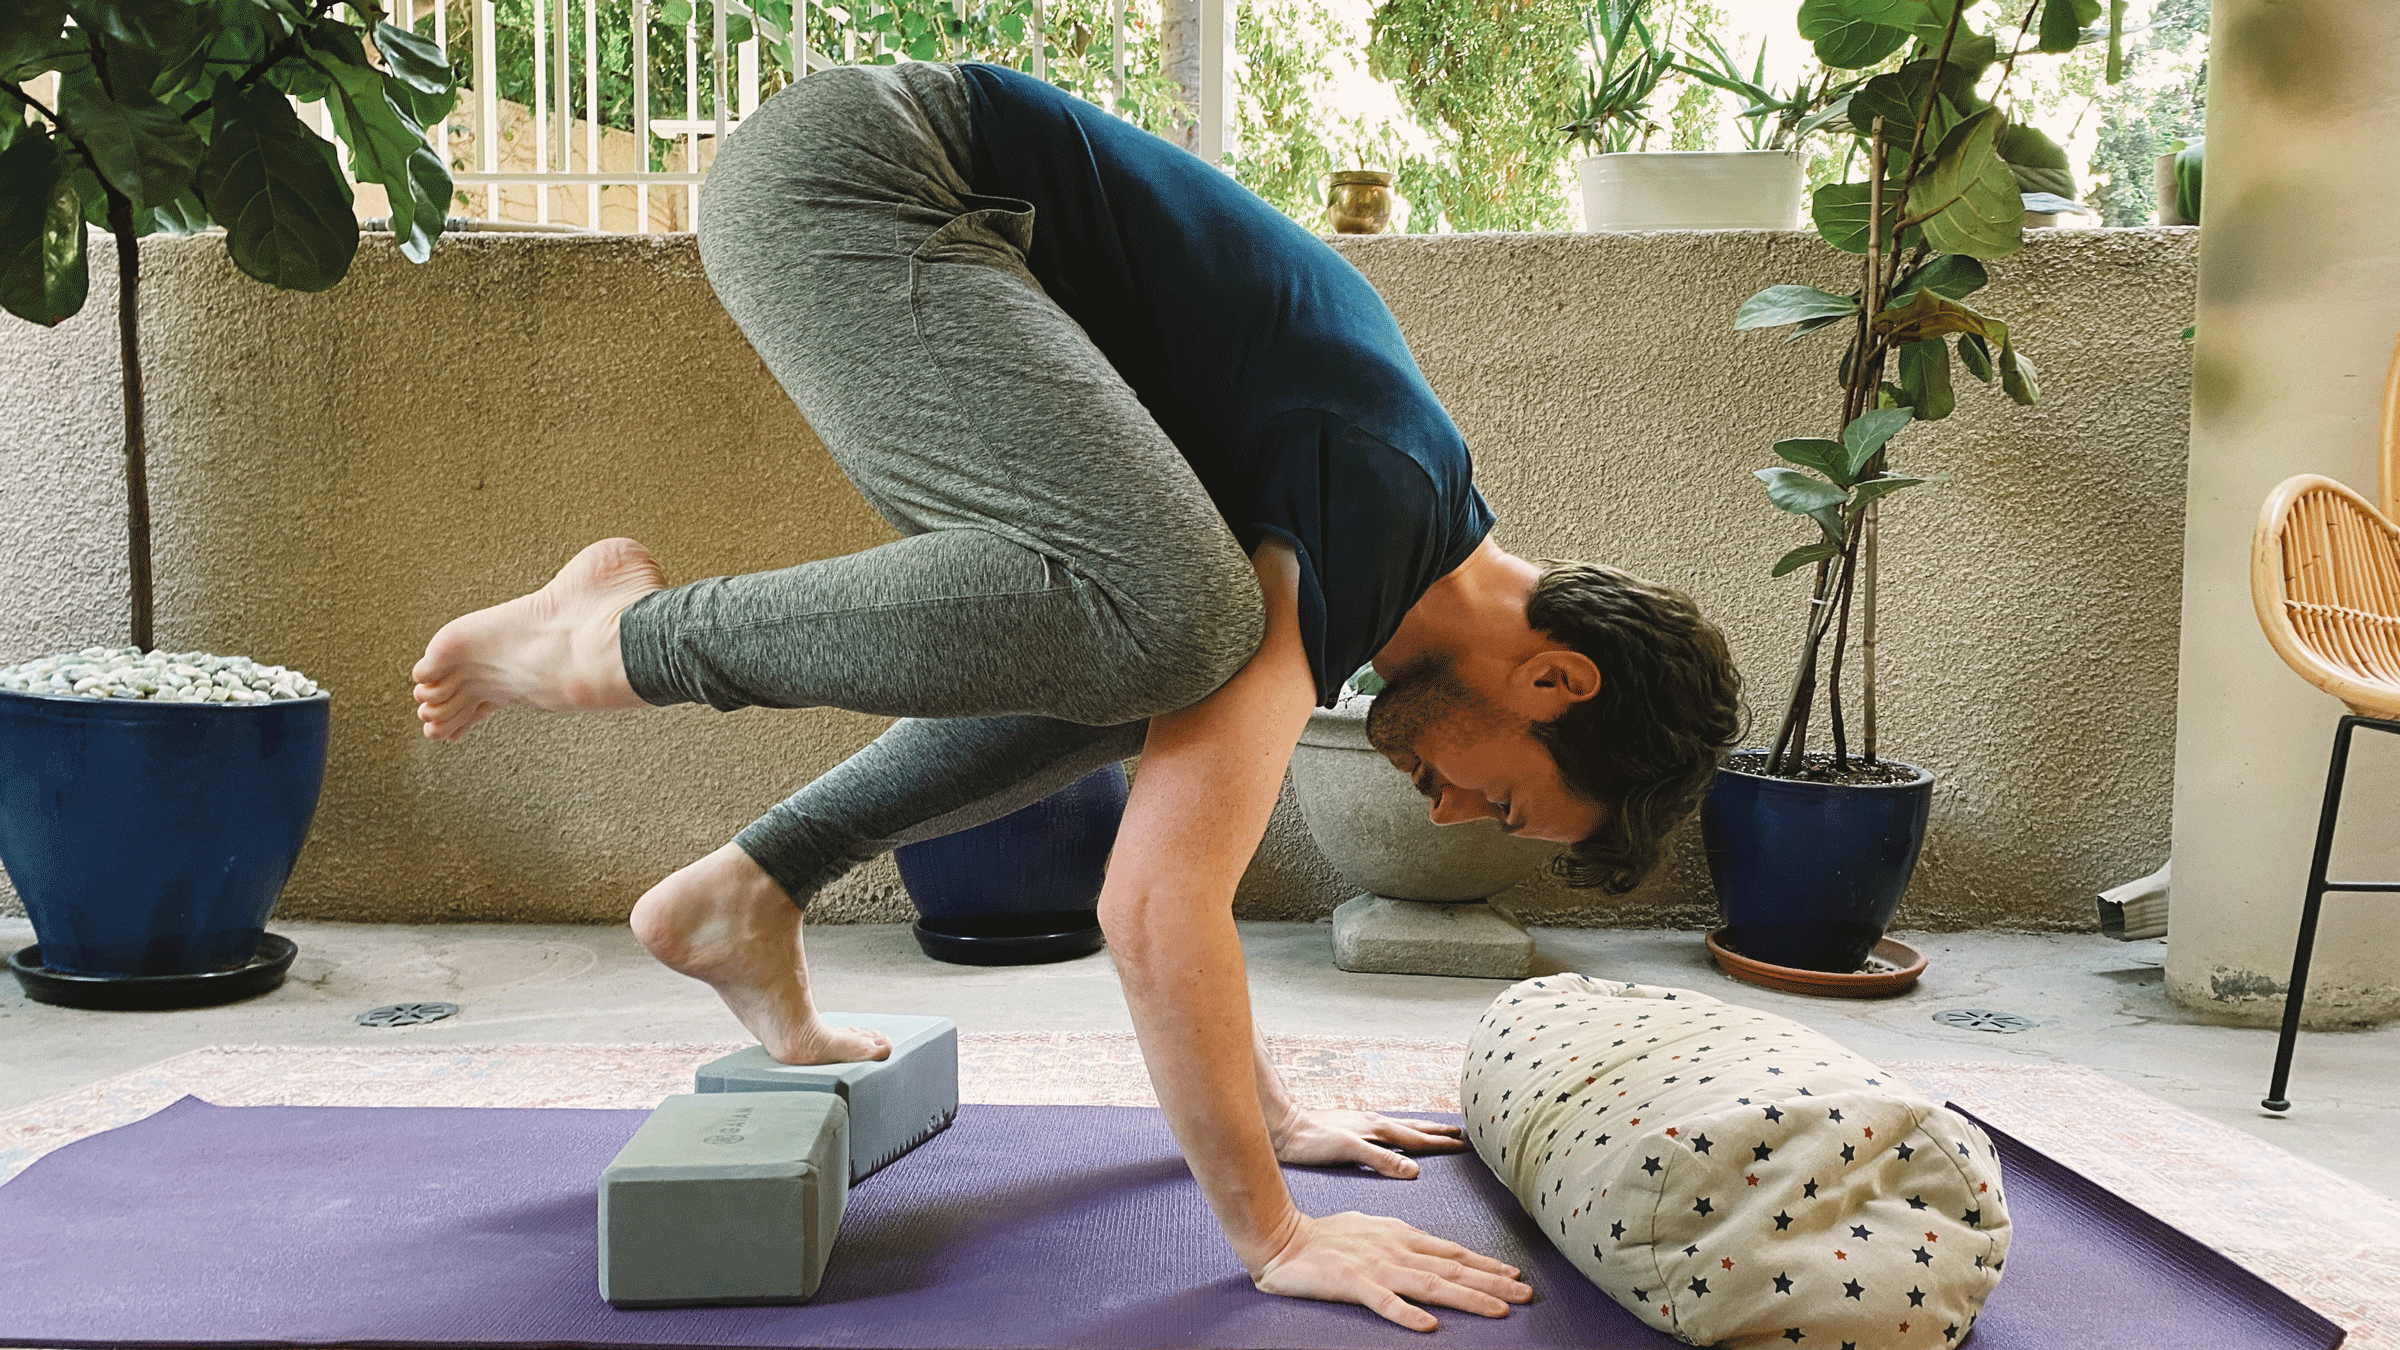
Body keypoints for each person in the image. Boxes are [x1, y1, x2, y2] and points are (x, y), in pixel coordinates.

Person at [410, 59, 1742, 1332]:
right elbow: (1159, 906)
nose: (1455, 814)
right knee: (1173, 622)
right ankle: (620, 639)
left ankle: (750, 888)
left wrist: (1273, 1117)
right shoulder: (1374, 493)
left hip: (892, 214)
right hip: (868, 178)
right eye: (1504, 796)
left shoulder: (1375, 526)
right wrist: (1276, 1233)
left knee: (1165, 642)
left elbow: (1179, 838)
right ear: (1557, 675)